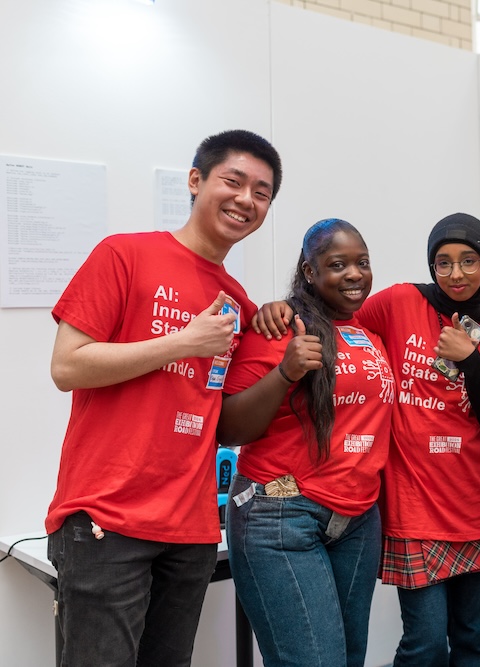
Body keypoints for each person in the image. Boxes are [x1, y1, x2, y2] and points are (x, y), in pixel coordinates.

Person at [45, 129, 281, 667]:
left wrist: (273, 323)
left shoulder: (237, 303)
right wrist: (185, 341)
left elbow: (226, 415)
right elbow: (67, 365)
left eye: (262, 193)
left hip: (191, 529)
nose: (246, 199)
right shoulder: (125, 254)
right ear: (196, 182)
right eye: (234, 181)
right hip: (108, 518)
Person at [253, 213, 480, 666]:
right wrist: (284, 309)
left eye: (469, 261)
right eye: (443, 262)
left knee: (473, 637)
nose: (456, 273)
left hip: (474, 501)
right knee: (426, 641)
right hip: (411, 504)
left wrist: (471, 360)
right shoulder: (397, 303)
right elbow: (334, 314)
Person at [218, 219, 395, 667]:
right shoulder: (276, 330)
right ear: (310, 271)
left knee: (349, 658)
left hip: (358, 517)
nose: (355, 274)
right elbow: (229, 427)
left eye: (363, 263)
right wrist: (286, 373)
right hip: (281, 513)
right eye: (338, 265)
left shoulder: (368, 333)